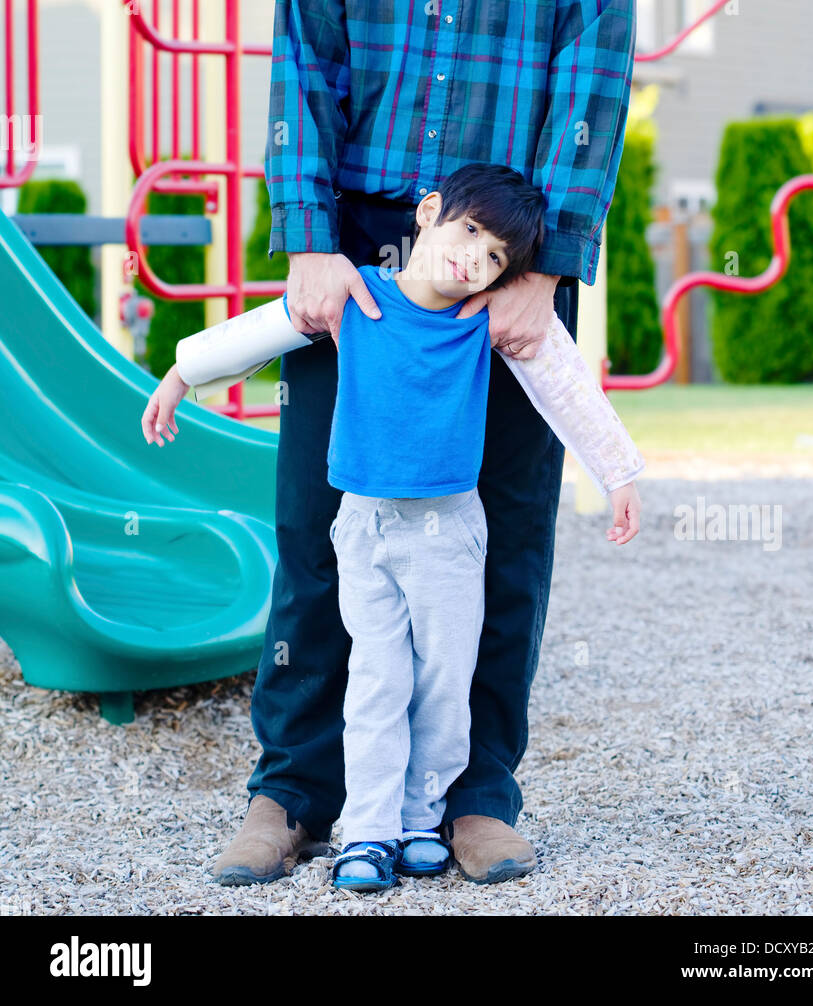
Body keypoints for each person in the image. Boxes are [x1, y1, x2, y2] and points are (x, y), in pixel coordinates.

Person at [212, 0, 637, 887]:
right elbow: (303, 68)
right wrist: (304, 236)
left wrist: (541, 268)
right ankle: (293, 789)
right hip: (358, 253)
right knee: (316, 522)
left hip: (505, 250)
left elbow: (590, 91)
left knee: (499, 536)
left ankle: (474, 794)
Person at [141, 164, 643, 893]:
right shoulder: (357, 302)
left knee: (442, 683)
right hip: (366, 530)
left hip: (449, 536)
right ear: (430, 214)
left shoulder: (482, 323)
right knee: (377, 680)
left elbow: (563, 382)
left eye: (496, 255)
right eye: (470, 231)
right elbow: (260, 330)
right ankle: (367, 832)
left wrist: (618, 473)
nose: (475, 257)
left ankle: (419, 819)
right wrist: (181, 375)